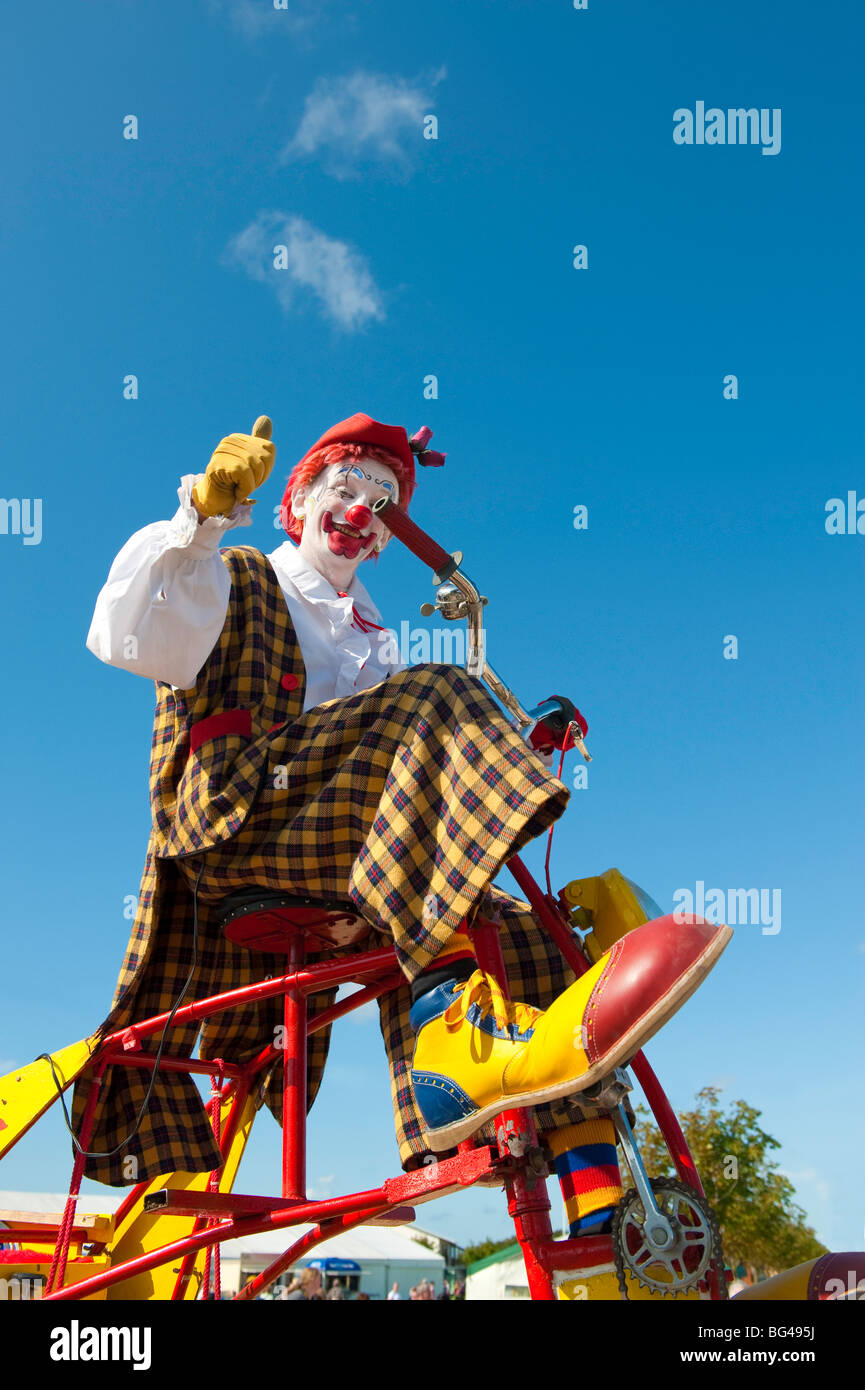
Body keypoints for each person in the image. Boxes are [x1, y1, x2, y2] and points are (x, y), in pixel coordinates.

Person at [72, 412, 730, 1242]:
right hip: (238, 823)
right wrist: (202, 513)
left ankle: (605, 1230)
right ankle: (453, 1034)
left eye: (382, 501)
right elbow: (125, 635)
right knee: (437, 694)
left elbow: (406, 769)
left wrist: (512, 744)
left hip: (349, 855)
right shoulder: (236, 576)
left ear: (388, 537)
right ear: (297, 502)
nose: (361, 509)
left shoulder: (378, 643)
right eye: (345, 489)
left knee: (525, 935)